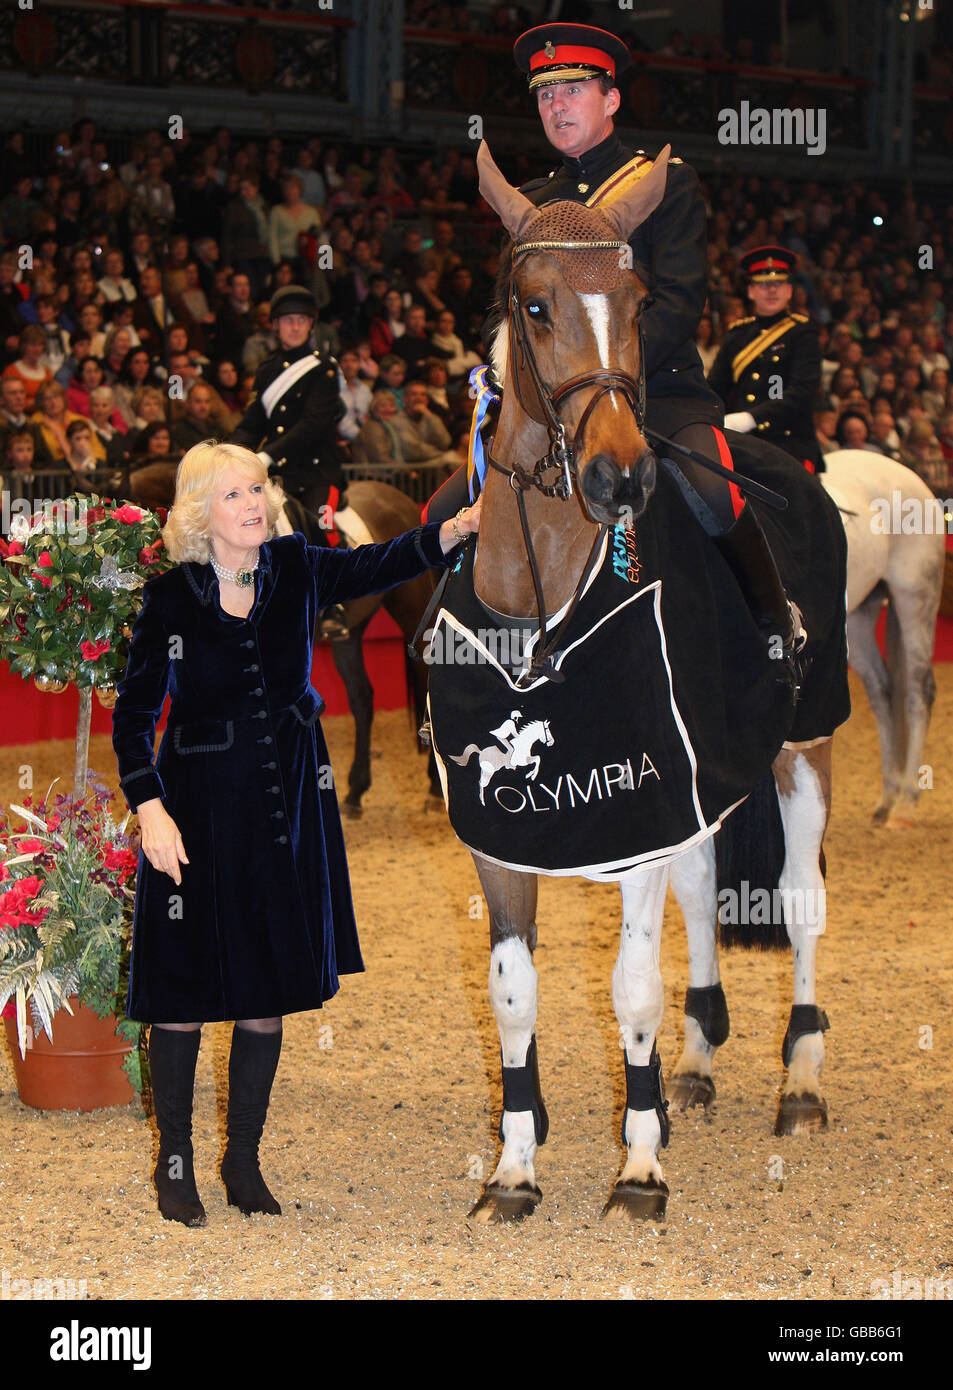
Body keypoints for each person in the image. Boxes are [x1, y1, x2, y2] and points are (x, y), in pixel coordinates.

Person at [111, 441, 479, 1227]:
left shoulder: (296, 567)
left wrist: (455, 530)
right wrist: (150, 809)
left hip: (286, 807)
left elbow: (382, 562)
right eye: (234, 494)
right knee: (181, 989)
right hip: (197, 808)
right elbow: (134, 717)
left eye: (258, 488)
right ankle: (174, 1163)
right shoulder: (170, 598)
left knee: (267, 987)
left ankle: (242, 1159)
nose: (253, 503)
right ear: (200, 513)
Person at [424, 21, 805, 672]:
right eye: (545, 96)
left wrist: (608, 377)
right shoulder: (533, 204)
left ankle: (774, 632)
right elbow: (511, 316)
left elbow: (682, 296)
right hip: (554, 408)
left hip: (653, 390)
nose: (557, 106)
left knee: (711, 491)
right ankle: (453, 670)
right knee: (443, 509)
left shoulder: (662, 181)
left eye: (573, 90)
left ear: (611, 100)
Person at [707, 246, 824, 474]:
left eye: (778, 284)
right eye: (763, 284)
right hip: (740, 440)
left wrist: (750, 417)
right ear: (751, 291)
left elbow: (801, 391)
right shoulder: (737, 334)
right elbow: (715, 387)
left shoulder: (802, 333)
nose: (771, 290)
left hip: (789, 442)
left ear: (789, 291)